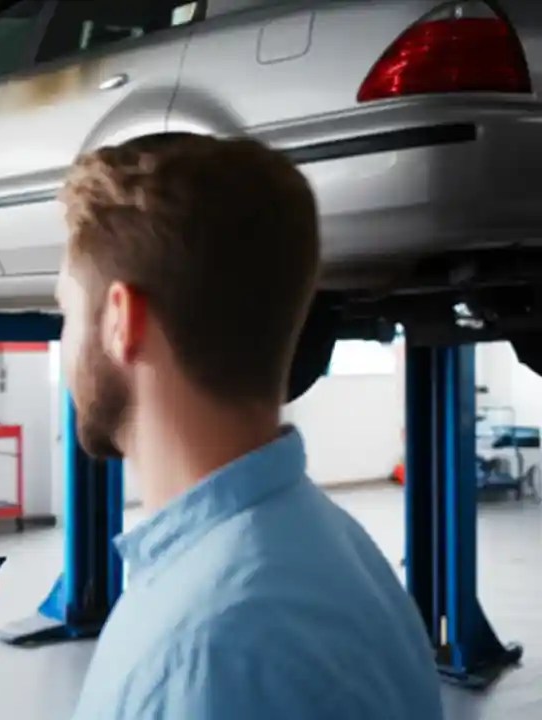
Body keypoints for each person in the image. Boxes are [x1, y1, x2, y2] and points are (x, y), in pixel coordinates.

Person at [55, 134, 444, 719]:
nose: (64, 345)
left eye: (65, 313)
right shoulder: (329, 544)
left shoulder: (202, 655)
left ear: (120, 320)